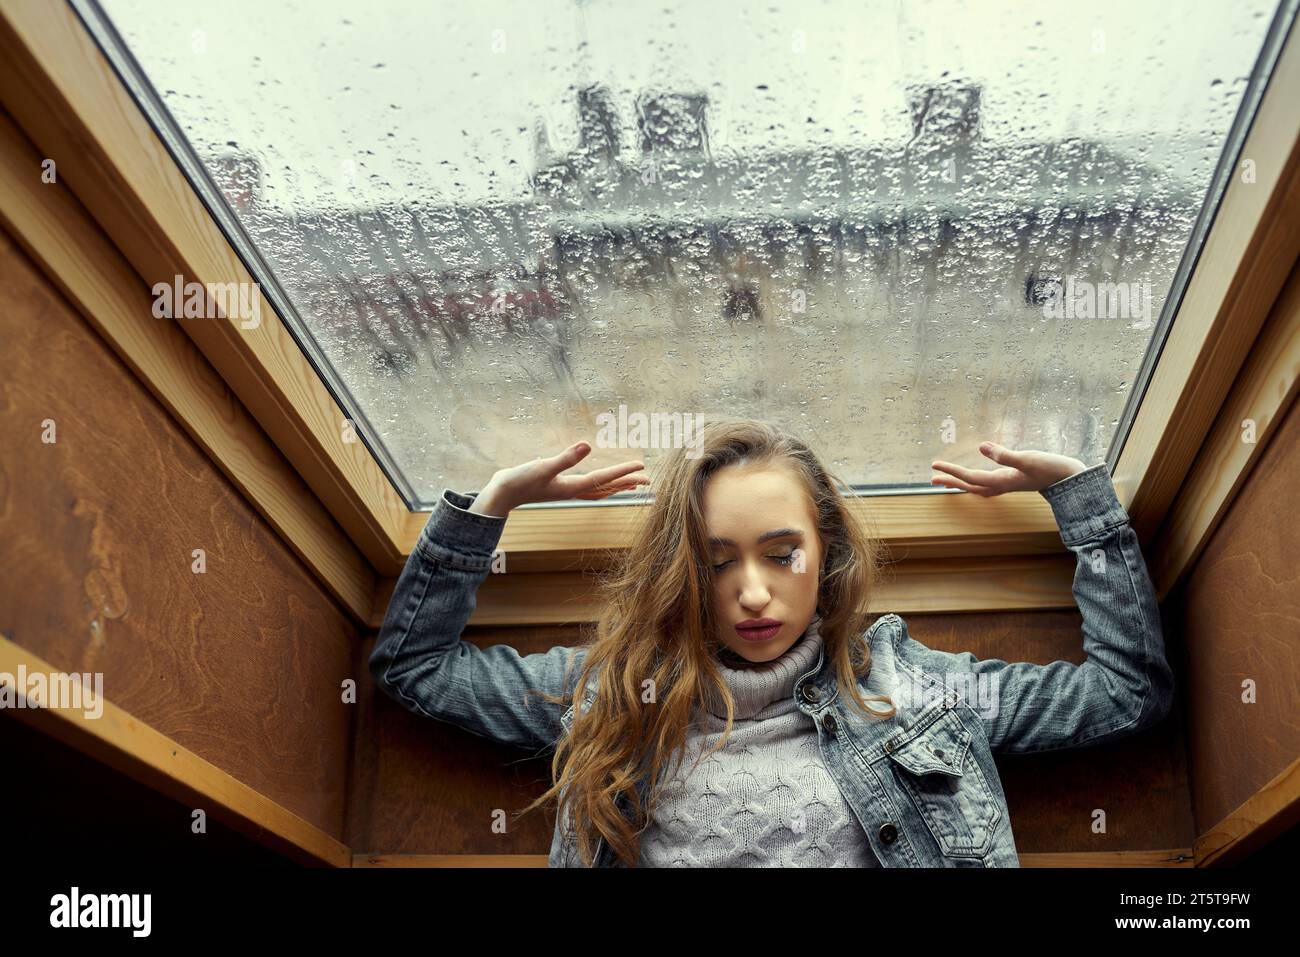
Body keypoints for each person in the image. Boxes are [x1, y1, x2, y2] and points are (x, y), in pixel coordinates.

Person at [369, 417, 1175, 867]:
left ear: (823, 554)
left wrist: (1079, 501)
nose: (752, 591)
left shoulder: (913, 692)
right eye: (717, 562)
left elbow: (1125, 693)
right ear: (684, 572)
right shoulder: (614, 691)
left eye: (782, 553)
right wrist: (493, 505)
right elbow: (415, 666)